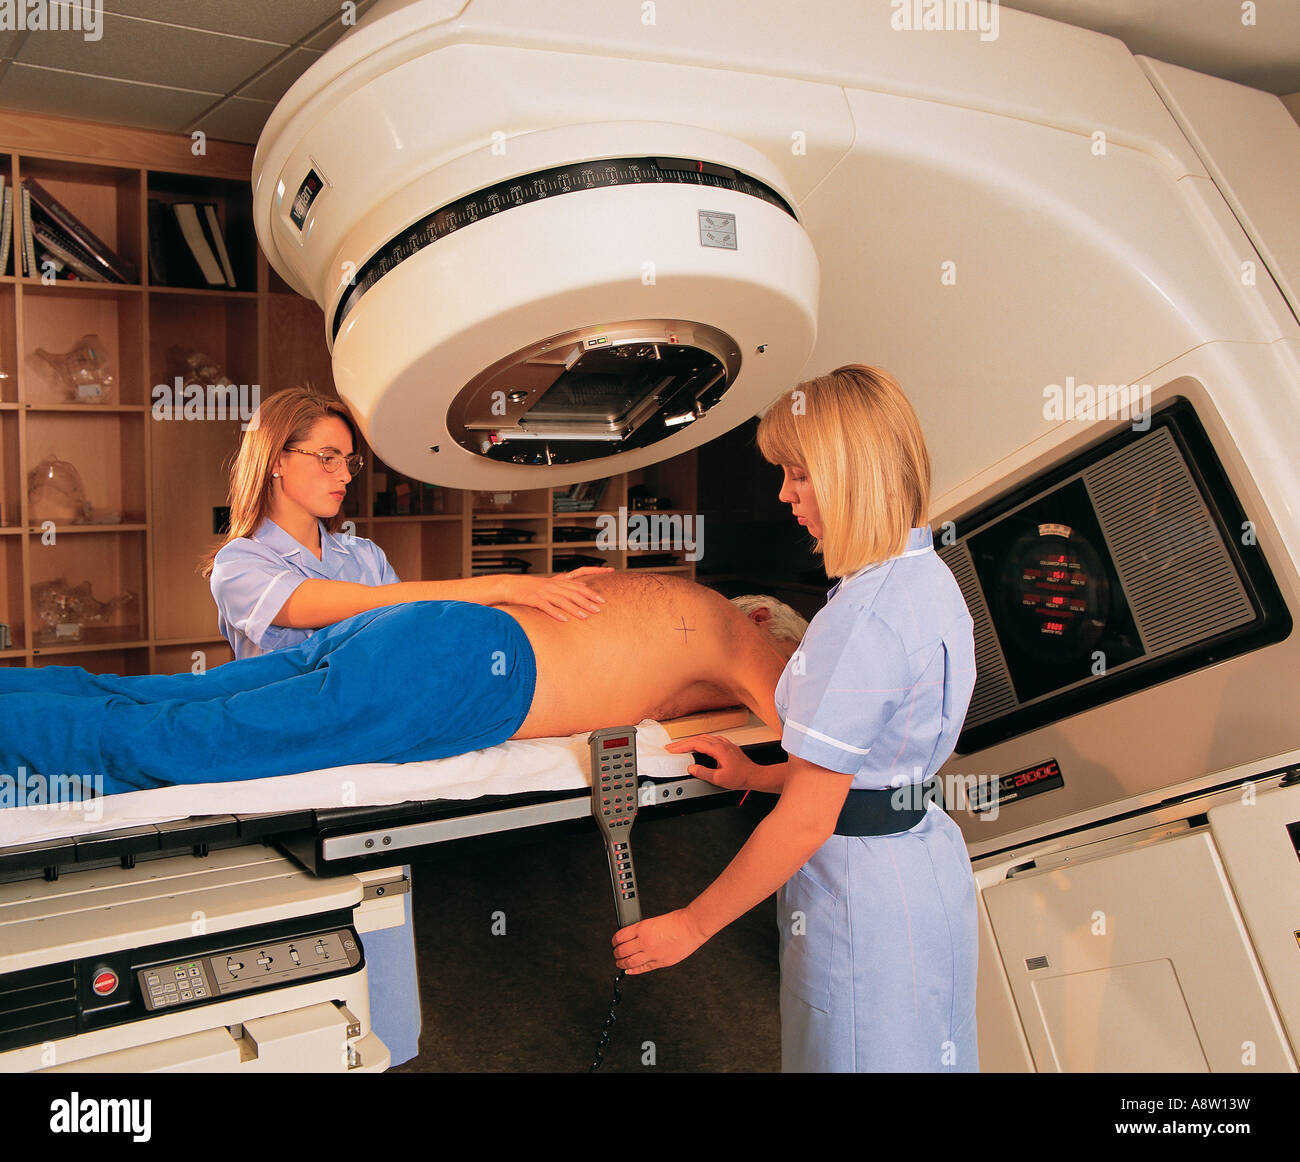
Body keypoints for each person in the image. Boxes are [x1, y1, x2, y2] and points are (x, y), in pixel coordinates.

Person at [200, 385, 611, 1069]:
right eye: (326, 457)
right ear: (276, 459)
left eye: (349, 462)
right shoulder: (240, 566)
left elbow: (406, 642)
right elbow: (359, 611)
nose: (342, 475)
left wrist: (537, 606)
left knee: (379, 961)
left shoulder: (361, 553)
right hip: (293, 775)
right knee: (295, 979)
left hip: (377, 768)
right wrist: (502, 586)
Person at [612, 365, 979, 1073]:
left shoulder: (860, 619)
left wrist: (689, 926)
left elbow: (811, 819)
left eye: (798, 475)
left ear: (852, 472)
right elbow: (863, 771)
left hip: (864, 897)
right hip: (926, 863)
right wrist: (758, 770)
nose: (784, 494)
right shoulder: (927, 577)